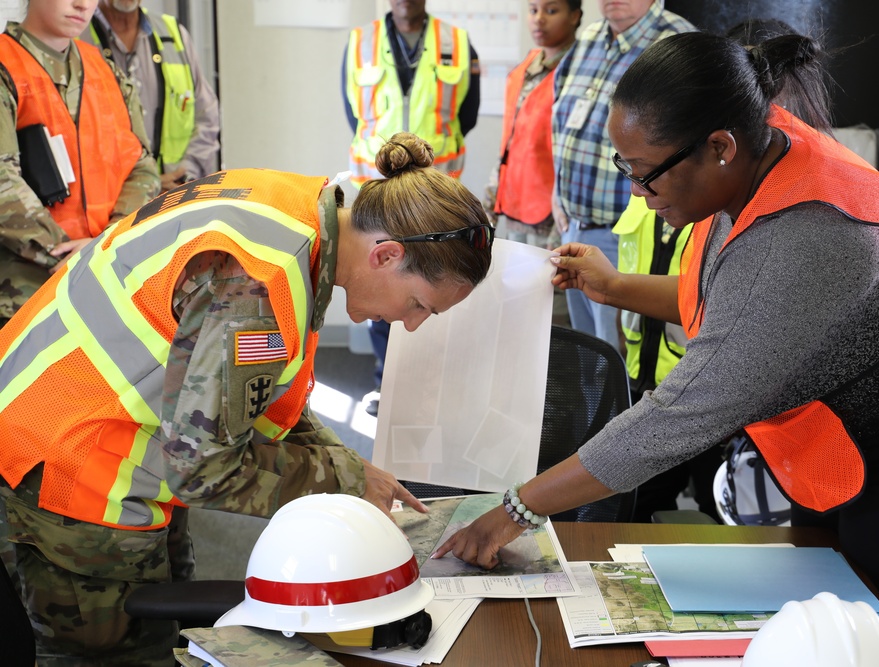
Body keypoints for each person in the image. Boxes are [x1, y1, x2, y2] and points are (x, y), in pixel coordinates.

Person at [434, 32, 879, 667]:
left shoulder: (812, 237)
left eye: (644, 173)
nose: (636, 193)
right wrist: (614, 285)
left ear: (720, 148)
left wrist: (514, 510)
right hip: (849, 448)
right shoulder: (753, 153)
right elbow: (741, 307)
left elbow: (682, 410)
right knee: (826, 628)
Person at [0, 133, 494, 666]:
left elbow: (249, 395)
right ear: (387, 254)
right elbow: (202, 469)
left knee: (170, 627)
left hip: (98, 420)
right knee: (117, 655)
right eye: (420, 303)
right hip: (71, 463)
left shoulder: (298, 210)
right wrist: (344, 482)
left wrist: (346, 463)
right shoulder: (259, 289)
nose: (413, 324)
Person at [625, 18, 836, 523]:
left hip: (821, 446)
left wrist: (524, 505)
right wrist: (611, 286)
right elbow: (706, 295)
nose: (638, 190)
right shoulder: (706, 195)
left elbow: (728, 344)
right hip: (691, 388)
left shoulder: (797, 224)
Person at [342, 0, 480, 415]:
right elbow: (354, 113)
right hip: (379, 194)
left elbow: (467, 115)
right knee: (380, 288)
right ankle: (386, 381)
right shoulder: (358, 42)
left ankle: (427, 391)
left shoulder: (456, 41)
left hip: (434, 202)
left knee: (427, 292)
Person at [0, 0, 160, 328]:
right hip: (25, 298)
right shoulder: (6, 66)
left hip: (108, 286)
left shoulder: (105, 70)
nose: (82, 4)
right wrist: (70, 255)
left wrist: (110, 243)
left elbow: (141, 166)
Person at [549, 0, 693, 348]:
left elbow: (689, 147)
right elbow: (560, 120)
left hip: (629, 236)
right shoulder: (590, 37)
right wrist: (558, 191)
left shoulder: (676, 42)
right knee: (586, 357)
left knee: (619, 361)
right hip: (573, 225)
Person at [81, 0, 221, 193]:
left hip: (177, 194)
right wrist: (145, 185)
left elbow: (206, 115)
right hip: (113, 206)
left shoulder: (173, 34)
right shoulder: (76, 38)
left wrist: (186, 174)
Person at [483, 0, 581, 249]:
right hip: (516, 205)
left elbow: (575, 156)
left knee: (550, 283)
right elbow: (508, 144)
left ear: (574, 16)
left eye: (551, 11)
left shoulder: (578, 74)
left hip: (553, 215)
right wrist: (489, 205)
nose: (539, 19)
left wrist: (562, 227)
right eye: (533, 10)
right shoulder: (526, 68)